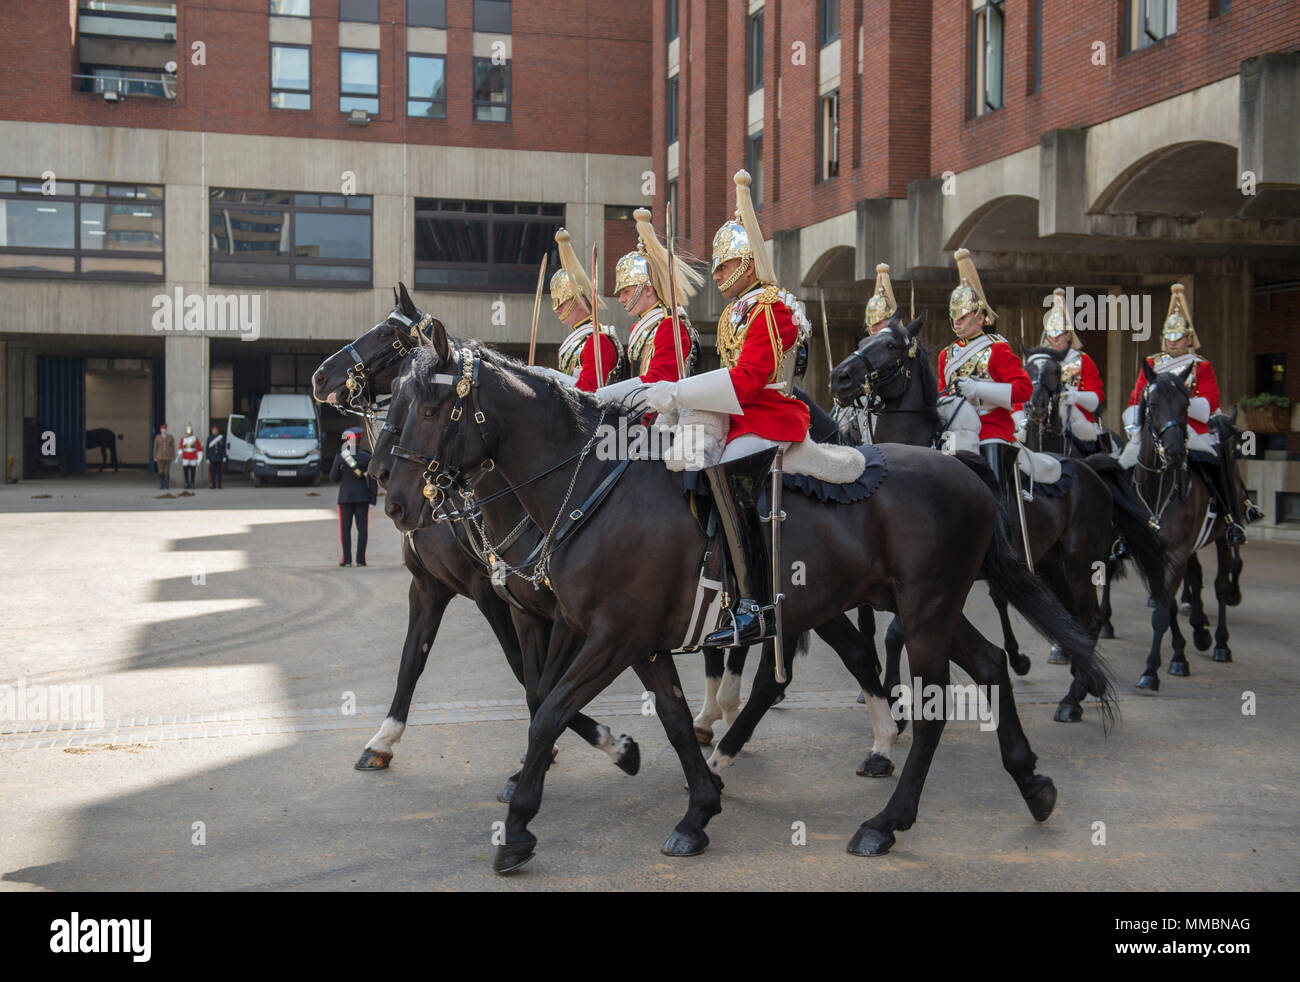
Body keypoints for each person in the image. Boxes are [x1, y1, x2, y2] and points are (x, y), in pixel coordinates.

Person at [644, 169, 812, 647]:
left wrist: (680, 391)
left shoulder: (772, 308)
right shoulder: (739, 311)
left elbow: (747, 382)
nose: (715, 276)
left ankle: (755, 606)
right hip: (741, 420)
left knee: (730, 478)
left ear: (746, 262)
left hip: (771, 416)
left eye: (722, 267)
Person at [1123, 284, 1261, 544]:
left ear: (1188, 339)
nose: (1172, 342)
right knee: (1123, 465)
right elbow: (1136, 398)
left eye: (1177, 337)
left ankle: (1233, 518)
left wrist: (1180, 404)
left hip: (1190, 429)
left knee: (1217, 460)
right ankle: (1120, 527)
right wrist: (1133, 427)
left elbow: (1210, 403)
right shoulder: (1152, 364)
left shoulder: (1201, 367)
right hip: (1154, 430)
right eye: (1168, 337)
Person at [937, 248, 1032, 494]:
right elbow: (941, 394)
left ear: (981, 318)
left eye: (964, 315)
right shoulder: (945, 355)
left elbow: (1023, 389)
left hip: (990, 428)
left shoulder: (997, 350)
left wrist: (977, 389)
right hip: (955, 432)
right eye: (954, 315)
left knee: (994, 493)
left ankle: (1001, 525)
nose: (957, 320)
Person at [592, 207, 702, 409]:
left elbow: (659, 381)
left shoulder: (670, 326)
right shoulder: (642, 327)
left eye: (626, 292)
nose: (621, 299)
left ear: (648, 289)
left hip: (664, 419)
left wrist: (606, 396)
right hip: (641, 413)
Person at [1015, 287, 1104, 450]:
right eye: (1051, 336)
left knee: (1091, 447)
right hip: (1037, 415)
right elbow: (1022, 393)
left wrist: (1076, 397)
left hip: (1074, 419)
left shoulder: (1082, 360)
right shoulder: (1038, 362)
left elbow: (1096, 399)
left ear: (1068, 335)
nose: (1054, 340)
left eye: (1059, 336)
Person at [551, 228, 624, 392]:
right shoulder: (584, 338)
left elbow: (589, 391)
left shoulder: (598, 341)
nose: (557, 309)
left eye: (561, 302)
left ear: (580, 301)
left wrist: (550, 379)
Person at [331, 427, 377, 567]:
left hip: (345, 497)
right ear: (360, 441)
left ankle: (347, 560)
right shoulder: (368, 457)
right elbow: (372, 480)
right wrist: (373, 499)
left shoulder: (341, 457)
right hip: (363, 497)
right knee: (362, 529)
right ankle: (361, 560)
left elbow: (333, 478)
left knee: (345, 529)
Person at [177, 422, 203, 490]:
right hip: (185, 457)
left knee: (193, 471)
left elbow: (199, 449)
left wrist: (199, 458)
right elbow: (180, 447)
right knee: (185, 471)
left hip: (193, 457)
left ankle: (192, 483)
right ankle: (186, 483)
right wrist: (179, 451)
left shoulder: (195, 439)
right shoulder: (183, 439)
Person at [152, 423, 175, 490]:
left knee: (167, 471)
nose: (164, 430)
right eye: (162, 429)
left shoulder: (170, 437)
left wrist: (173, 456)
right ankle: (161, 484)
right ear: (160, 430)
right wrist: (155, 456)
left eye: (165, 429)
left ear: (166, 430)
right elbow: (155, 447)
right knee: (160, 471)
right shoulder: (157, 437)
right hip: (160, 456)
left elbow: (172, 447)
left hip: (168, 456)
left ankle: (166, 484)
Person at [206, 424, 227, 489]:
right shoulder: (209, 438)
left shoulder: (221, 437)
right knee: (212, 473)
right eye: (213, 430)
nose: (214, 431)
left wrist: (224, 456)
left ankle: (219, 484)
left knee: (219, 473)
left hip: (219, 457)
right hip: (212, 457)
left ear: (218, 431)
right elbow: (207, 449)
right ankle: (213, 485)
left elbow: (223, 448)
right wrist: (207, 458)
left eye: (215, 430)